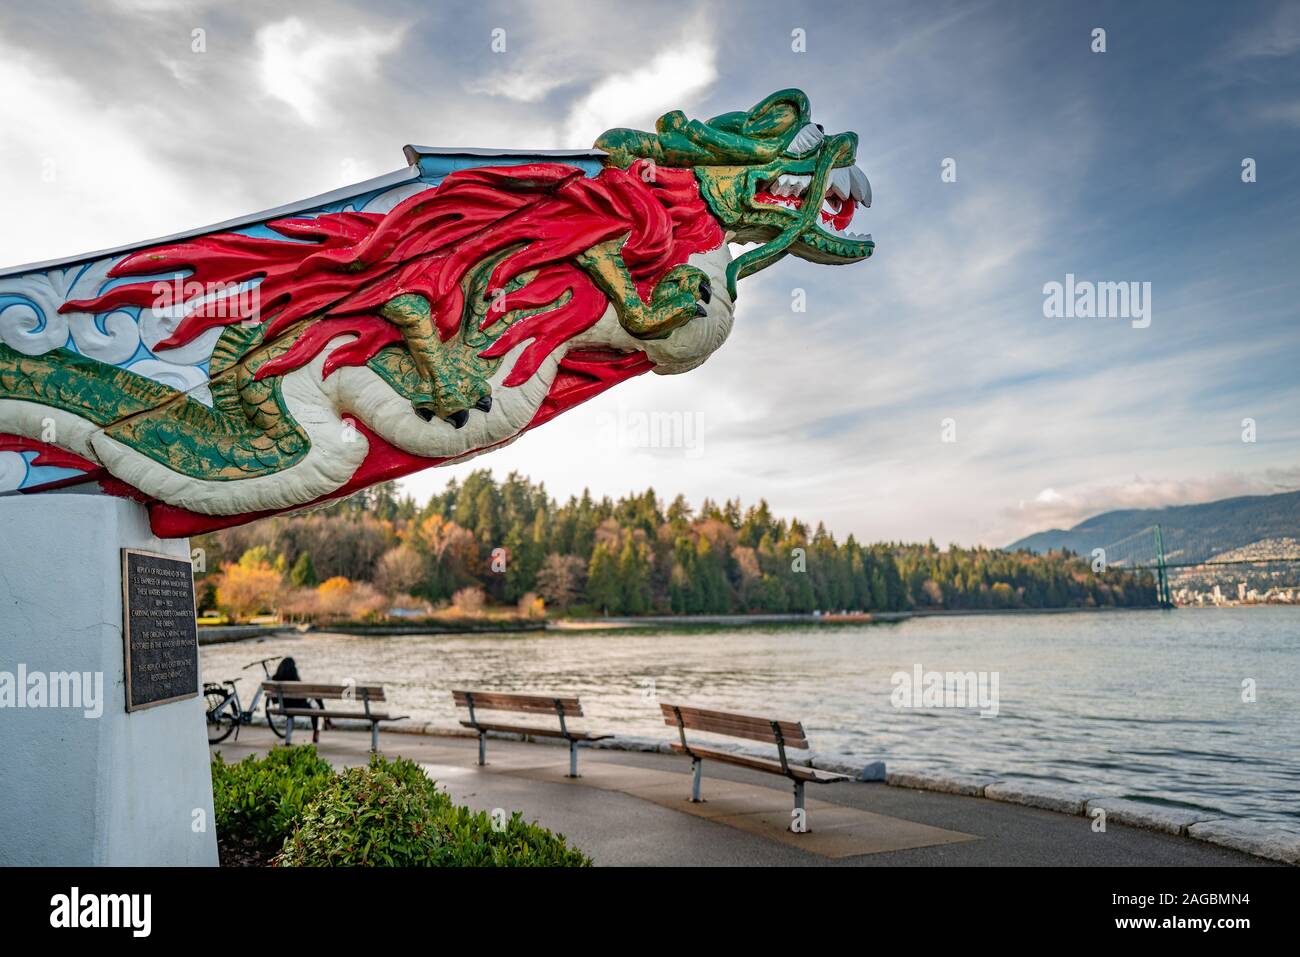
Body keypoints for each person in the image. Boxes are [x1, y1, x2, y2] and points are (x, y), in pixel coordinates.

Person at [270, 657, 323, 744]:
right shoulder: (294, 680)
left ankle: (327, 720)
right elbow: (302, 696)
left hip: (284, 707)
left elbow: (274, 700)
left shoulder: (275, 679)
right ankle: (317, 731)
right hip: (298, 706)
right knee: (316, 709)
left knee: (317, 699)